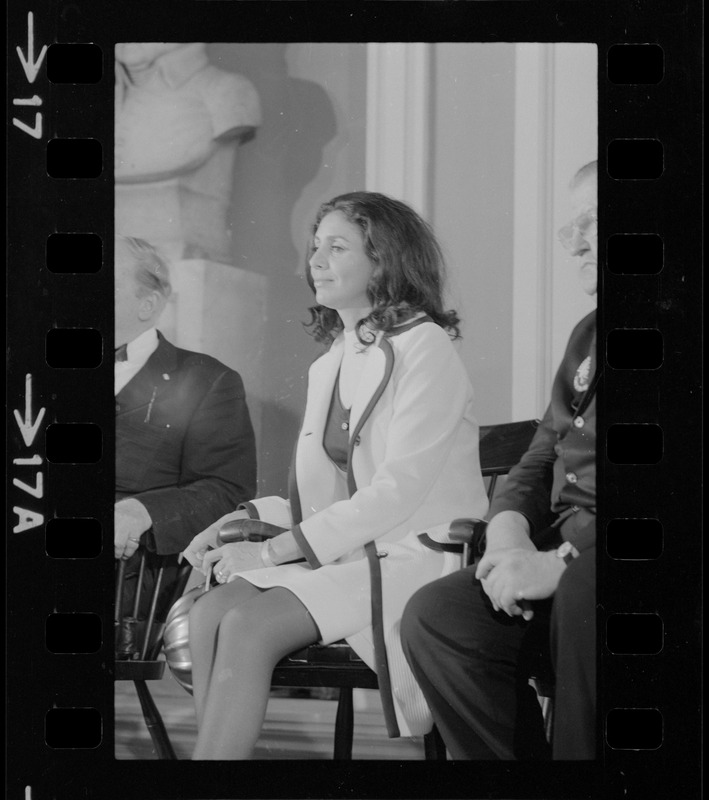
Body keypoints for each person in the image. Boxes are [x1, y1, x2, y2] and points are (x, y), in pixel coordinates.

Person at [182, 191, 489, 759]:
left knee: (249, 626)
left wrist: (269, 553)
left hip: (413, 558)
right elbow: (322, 502)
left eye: (337, 247)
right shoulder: (332, 361)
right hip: (352, 554)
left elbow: (396, 491)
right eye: (315, 246)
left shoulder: (425, 347)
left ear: (384, 260)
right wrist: (235, 522)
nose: (316, 261)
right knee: (210, 614)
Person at [401, 160, 598, 761]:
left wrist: (562, 563)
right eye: (572, 227)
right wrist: (508, 532)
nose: (576, 244)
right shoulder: (589, 334)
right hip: (562, 555)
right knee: (439, 613)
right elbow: (541, 455)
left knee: (584, 593)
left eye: (592, 223)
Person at [114, 235, 257, 626]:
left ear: (148, 305)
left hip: (123, 576)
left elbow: (227, 490)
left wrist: (142, 511)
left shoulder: (206, 380)